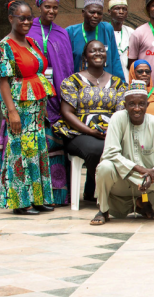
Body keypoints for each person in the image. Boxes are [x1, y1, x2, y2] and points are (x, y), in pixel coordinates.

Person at [89, 81, 154, 226]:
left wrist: (153, 173)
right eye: (132, 104)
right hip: (122, 178)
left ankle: (145, 204)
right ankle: (103, 210)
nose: (137, 109)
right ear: (125, 105)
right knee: (104, 166)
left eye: (141, 104)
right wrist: (141, 170)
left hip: (148, 181)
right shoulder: (118, 118)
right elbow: (111, 153)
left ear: (147, 105)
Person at [0, 0, 56, 215]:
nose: (27, 21)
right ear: (11, 19)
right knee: (20, 152)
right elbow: (2, 82)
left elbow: (38, 73)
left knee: (37, 151)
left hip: (36, 109)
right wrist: (12, 112)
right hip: (19, 108)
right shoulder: (3, 47)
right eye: (22, 18)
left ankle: (39, 199)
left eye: (29, 18)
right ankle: (21, 202)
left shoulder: (32, 42)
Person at [54, 40, 127, 202]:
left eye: (101, 50)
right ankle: (93, 188)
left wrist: (111, 131)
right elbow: (66, 113)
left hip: (110, 131)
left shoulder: (118, 83)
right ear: (85, 57)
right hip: (78, 132)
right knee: (97, 149)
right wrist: (90, 131)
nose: (98, 54)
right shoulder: (73, 81)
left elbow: (121, 112)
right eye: (93, 51)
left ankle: (119, 192)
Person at [24, 0, 73, 206]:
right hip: (33, 98)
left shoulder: (62, 33)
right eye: (47, 7)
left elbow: (67, 66)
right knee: (35, 149)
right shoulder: (28, 30)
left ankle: (57, 196)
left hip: (56, 99)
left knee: (55, 148)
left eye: (55, 7)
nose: (51, 11)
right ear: (39, 7)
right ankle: (34, 196)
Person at [67, 0, 125, 79]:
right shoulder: (71, 32)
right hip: (81, 85)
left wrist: (121, 84)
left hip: (105, 85)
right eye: (92, 12)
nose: (95, 16)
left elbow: (115, 59)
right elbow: (67, 64)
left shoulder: (107, 29)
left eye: (99, 13)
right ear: (83, 13)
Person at [108, 0, 134, 82]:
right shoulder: (104, 30)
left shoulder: (131, 32)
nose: (121, 12)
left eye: (124, 9)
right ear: (109, 12)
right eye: (117, 8)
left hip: (126, 78)